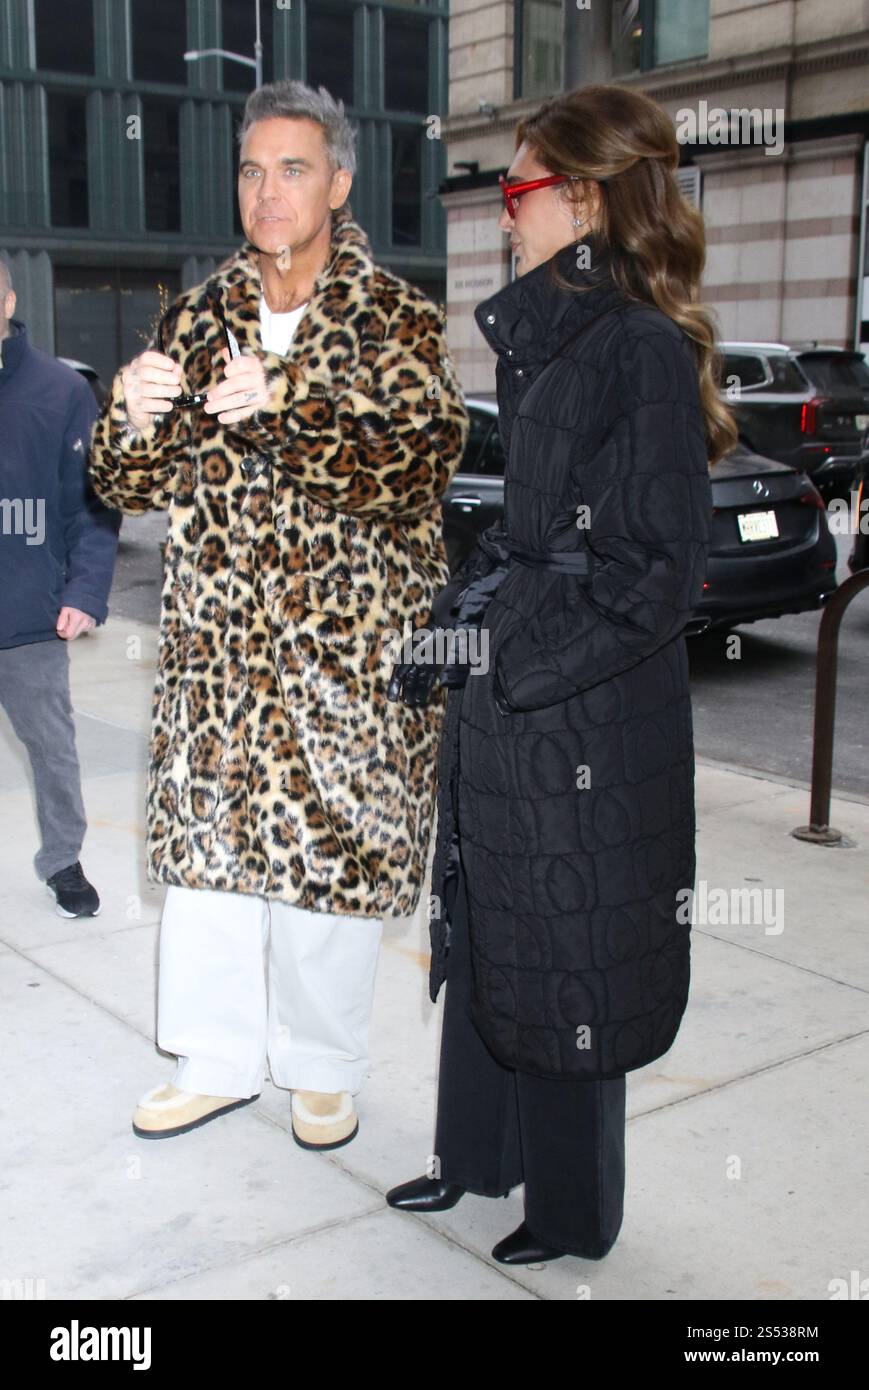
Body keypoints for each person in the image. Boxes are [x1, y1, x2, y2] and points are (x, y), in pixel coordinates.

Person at [386, 84, 735, 1263]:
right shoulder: (552, 338)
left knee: (569, 955)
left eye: (519, 189)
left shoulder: (632, 346)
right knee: (490, 927)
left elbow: (648, 574)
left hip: (579, 725)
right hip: (515, 706)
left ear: (584, 198)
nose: (503, 214)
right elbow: (520, 535)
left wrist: (518, 673)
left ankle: (573, 1213)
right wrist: (439, 647)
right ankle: (475, 1157)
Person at [87, 82, 468, 1149]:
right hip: (218, 657)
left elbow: (420, 460)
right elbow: (129, 485)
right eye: (252, 169)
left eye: (292, 168)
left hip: (343, 659)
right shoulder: (199, 313)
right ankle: (216, 1061)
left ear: (337, 183)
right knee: (212, 871)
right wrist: (127, 418)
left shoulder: (392, 316)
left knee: (326, 876)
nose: (268, 190)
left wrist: (291, 410)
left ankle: (320, 1068)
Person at [0, 256, 120, 918]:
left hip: (29, 618)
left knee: (51, 747)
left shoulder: (59, 391)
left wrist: (83, 590)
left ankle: (63, 860)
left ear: (10, 298)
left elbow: (93, 503)